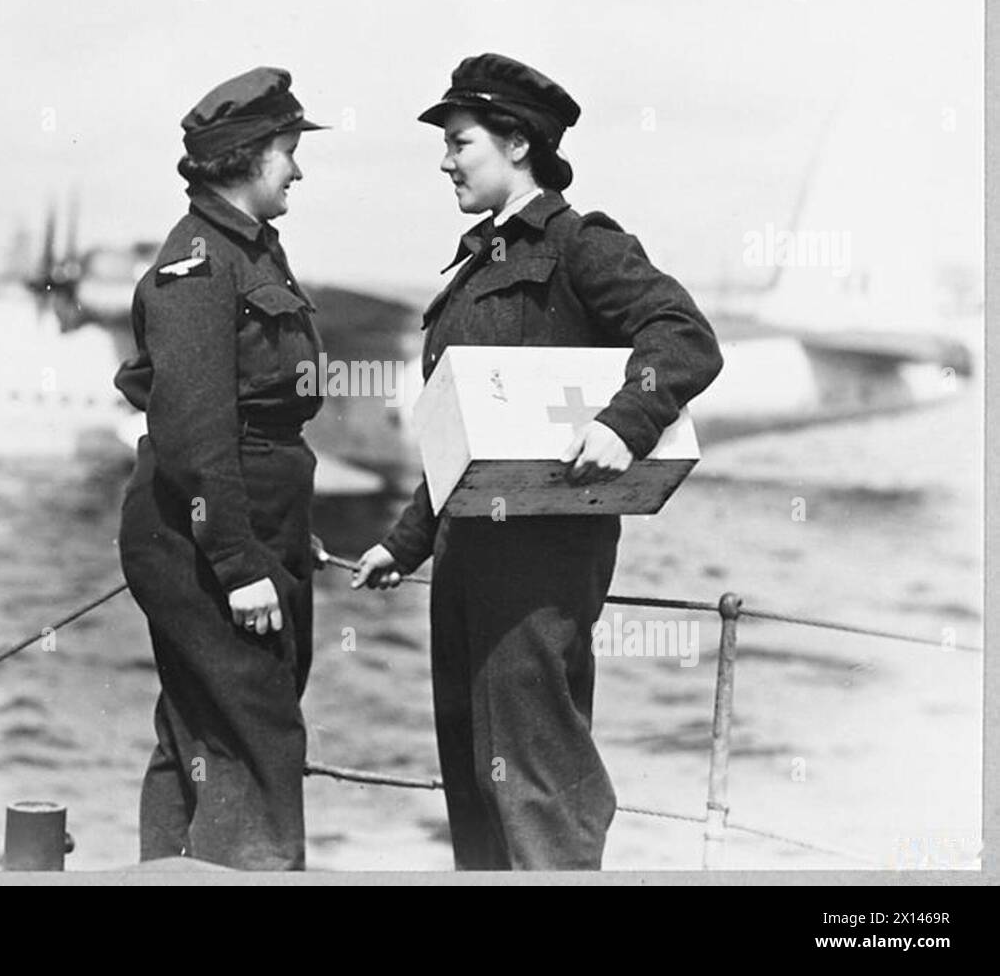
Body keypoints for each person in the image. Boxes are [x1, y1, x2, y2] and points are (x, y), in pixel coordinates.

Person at [353, 53, 723, 871]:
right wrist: (406, 542)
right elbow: (468, 431)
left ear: (518, 144)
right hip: (466, 559)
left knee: (536, 780)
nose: (446, 160)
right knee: (476, 781)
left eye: (461, 142)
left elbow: (684, 337)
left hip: (539, 561)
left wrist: (625, 423)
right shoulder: (477, 262)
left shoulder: (579, 244)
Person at [114, 67, 328, 870]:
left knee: (204, 731)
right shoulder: (201, 265)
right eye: (286, 152)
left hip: (252, 521)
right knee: (257, 737)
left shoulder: (252, 252)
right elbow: (195, 427)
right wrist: (239, 564)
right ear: (245, 158)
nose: (297, 170)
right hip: (209, 537)